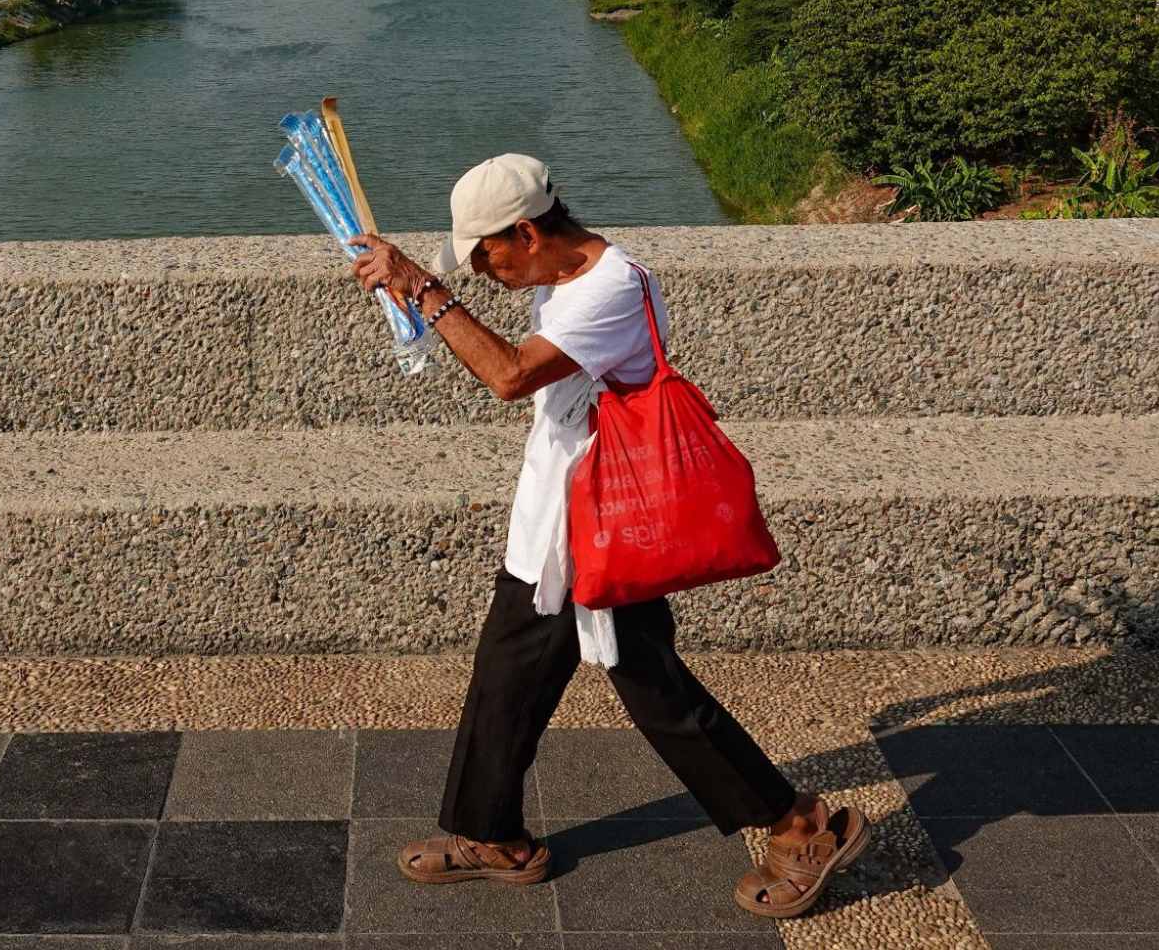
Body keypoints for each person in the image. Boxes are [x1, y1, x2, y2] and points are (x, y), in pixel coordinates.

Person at [345, 153, 873, 920]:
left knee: (656, 692)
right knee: (506, 674)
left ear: (525, 232)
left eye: (485, 254)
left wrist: (426, 292)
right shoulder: (558, 278)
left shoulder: (611, 286)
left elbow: (510, 375)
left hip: (610, 529)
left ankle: (801, 826)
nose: (482, 271)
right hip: (554, 526)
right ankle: (489, 835)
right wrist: (414, 300)